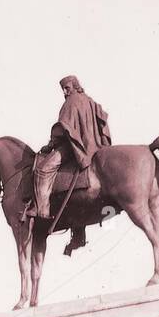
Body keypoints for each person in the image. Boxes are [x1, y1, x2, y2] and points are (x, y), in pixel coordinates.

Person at [26, 76, 112, 246]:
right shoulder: (91, 102)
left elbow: (62, 129)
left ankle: (42, 210)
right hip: (94, 148)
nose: (65, 92)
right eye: (63, 89)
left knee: (43, 170)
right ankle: (78, 234)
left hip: (75, 149)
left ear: (75, 86)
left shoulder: (70, 103)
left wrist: (50, 146)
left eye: (67, 88)